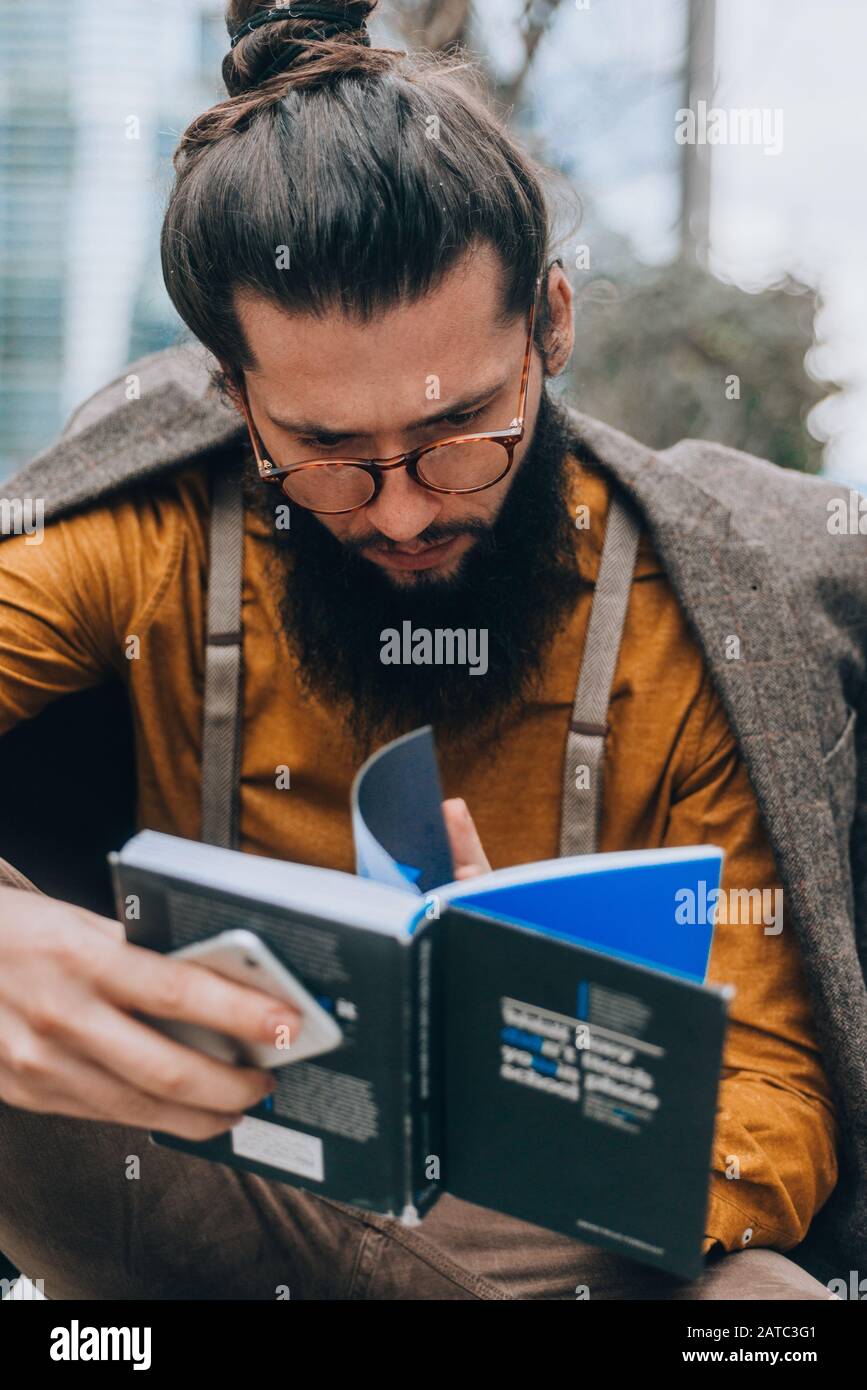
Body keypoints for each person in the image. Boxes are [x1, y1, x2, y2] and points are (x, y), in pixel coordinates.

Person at [0, 1, 859, 1301]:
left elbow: (779, 1093)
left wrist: (562, 1104)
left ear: (550, 327)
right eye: (331, 455)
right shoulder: (158, 533)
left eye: (461, 430)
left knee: (772, 1317)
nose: (402, 507)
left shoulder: (694, 615)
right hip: (214, 1199)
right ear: (233, 400)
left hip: (566, 1239)